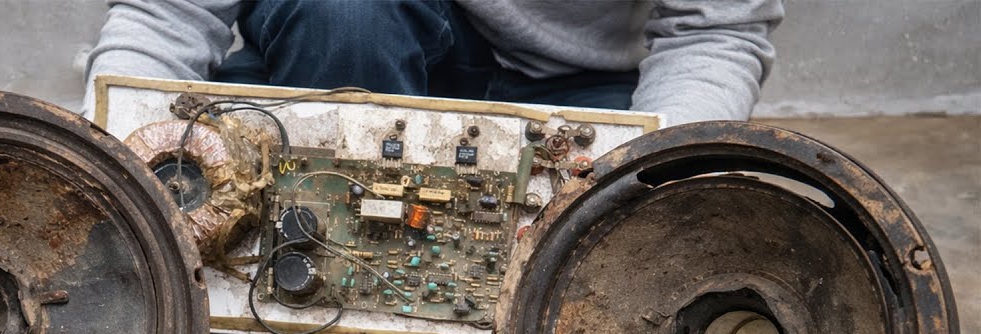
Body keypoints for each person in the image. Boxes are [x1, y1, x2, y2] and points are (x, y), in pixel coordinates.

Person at [84, 1, 783, 126]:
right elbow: (169, 12)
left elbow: (717, 32)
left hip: (574, 84)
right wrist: (98, 155)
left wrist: (662, 168)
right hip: (355, 40)